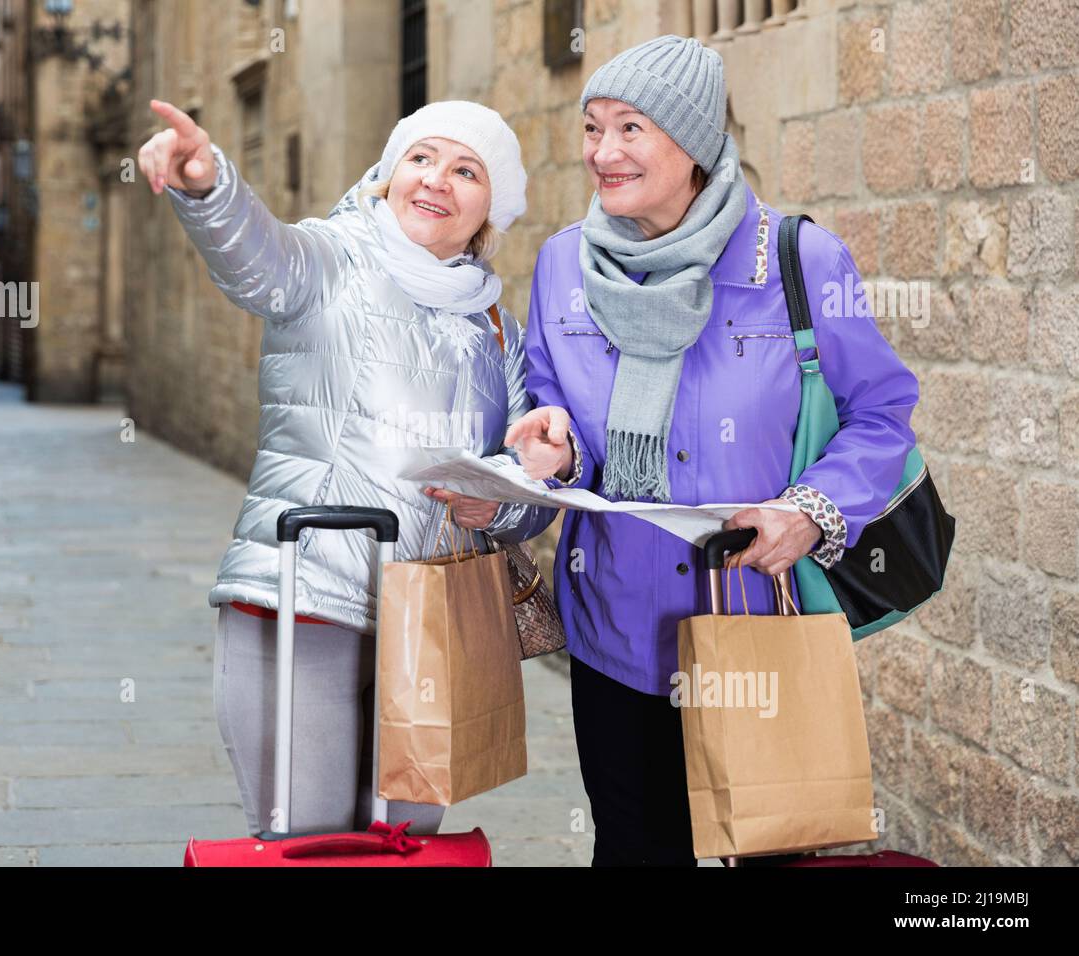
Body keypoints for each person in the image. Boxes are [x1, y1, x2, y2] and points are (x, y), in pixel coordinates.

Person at [506, 36, 920, 866]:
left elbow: (881, 416)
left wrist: (808, 513)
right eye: (593, 129)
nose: (603, 152)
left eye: (631, 129)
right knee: (632, 848)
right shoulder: (561, 268)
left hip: (756, 621)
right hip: (615, 626)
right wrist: (554, 448)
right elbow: (562, 420)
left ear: (693, 142)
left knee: (766, 851)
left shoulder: (798, 259)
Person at [137, 98, 553, 837]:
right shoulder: (330, 259)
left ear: (493, 209)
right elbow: (258, 258)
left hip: (431, 619)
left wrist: (508, 498)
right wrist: (210, 187)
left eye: (466, 170)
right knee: (311, 834)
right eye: (421, 158)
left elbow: (527, 487)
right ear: (391, 172)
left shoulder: (495, 325)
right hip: (305, 598)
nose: (436, 181)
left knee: (408, 835)